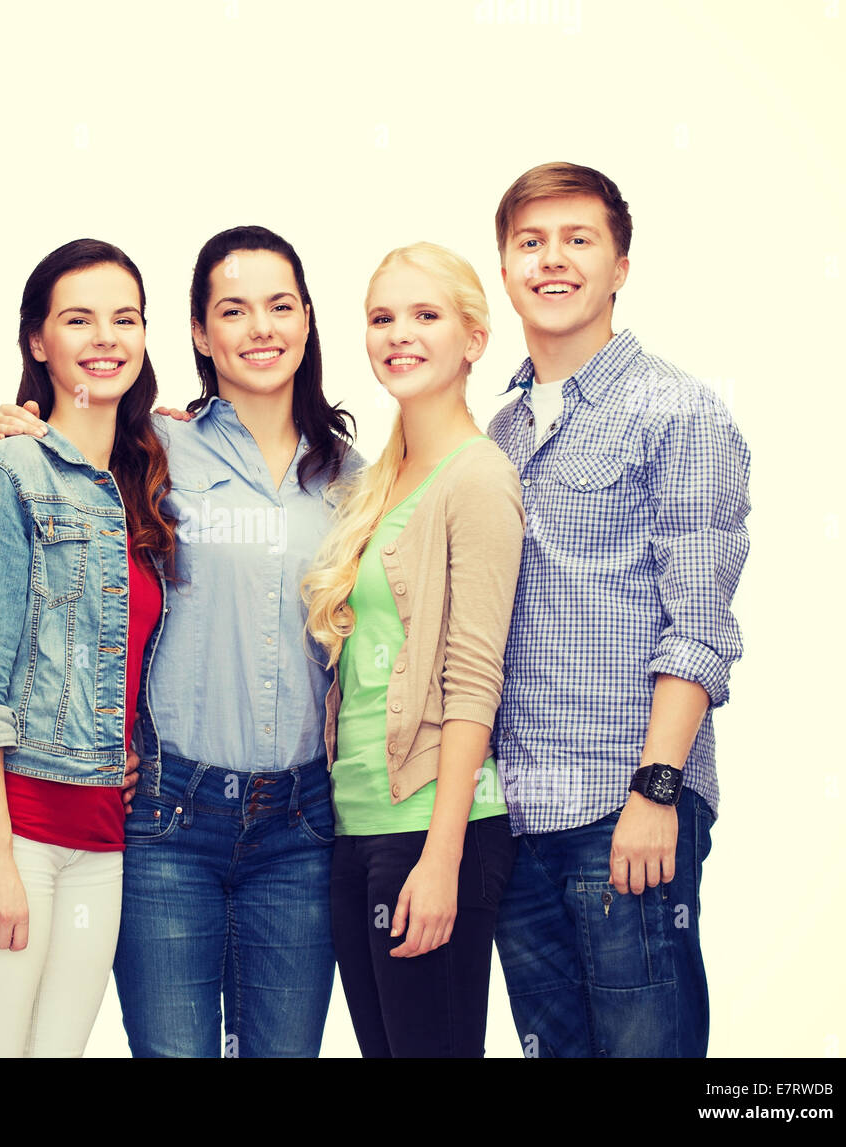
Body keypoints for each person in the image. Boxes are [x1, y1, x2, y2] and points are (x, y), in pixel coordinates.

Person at [0, 225, 363, 1057]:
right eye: (234, 309)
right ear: (199, 332)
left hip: (302, 828)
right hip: (168, 817)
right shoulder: (150, 448)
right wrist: (20, 428)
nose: (261, 328)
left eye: (280, 306)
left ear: (307, 318)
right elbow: (63, 549)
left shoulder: (353, 479)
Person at [486, 162, 752, 1057]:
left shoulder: (677, 411)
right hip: (520, 819)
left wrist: (657, 790)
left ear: (619, 266)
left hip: (624, 803)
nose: (551, 260)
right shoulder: (503, 432)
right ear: (505, 263)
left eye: (577, 240)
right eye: (531, 242)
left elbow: (701, 627)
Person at [0, 239, 174, 1057]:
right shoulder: (7, 473)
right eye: (79, 319)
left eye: (124, 318)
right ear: (39, 340)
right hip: (10, 830)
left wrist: (129, 747)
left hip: (101, 837)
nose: (106, 338)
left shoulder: (138, 486)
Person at [303, 242, 523, 1057]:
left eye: (425, 315)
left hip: (431, 829)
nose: (399, 334)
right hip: (356, 824)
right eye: (382, 317)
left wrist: (442, 855)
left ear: (472, 338)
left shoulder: (478, 477)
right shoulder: (374, 482)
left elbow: (474, 678)